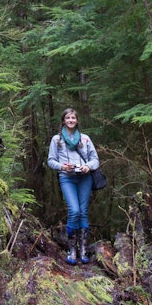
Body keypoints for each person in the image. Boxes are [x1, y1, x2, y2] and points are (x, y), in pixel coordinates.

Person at [47, 108, 100, 264]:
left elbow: (95, 159)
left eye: (73, 118)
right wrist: (62, 167)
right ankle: (72, 249)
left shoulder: (85, 139)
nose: (70, 120)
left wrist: (88, 166)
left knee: (83, 212)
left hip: (85, 178)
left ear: (77, 121)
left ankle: (83, 250)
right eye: (68, 118)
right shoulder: (56, 140)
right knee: (74, 210)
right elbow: (50, 161)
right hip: (67, 178)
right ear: (63, 121)